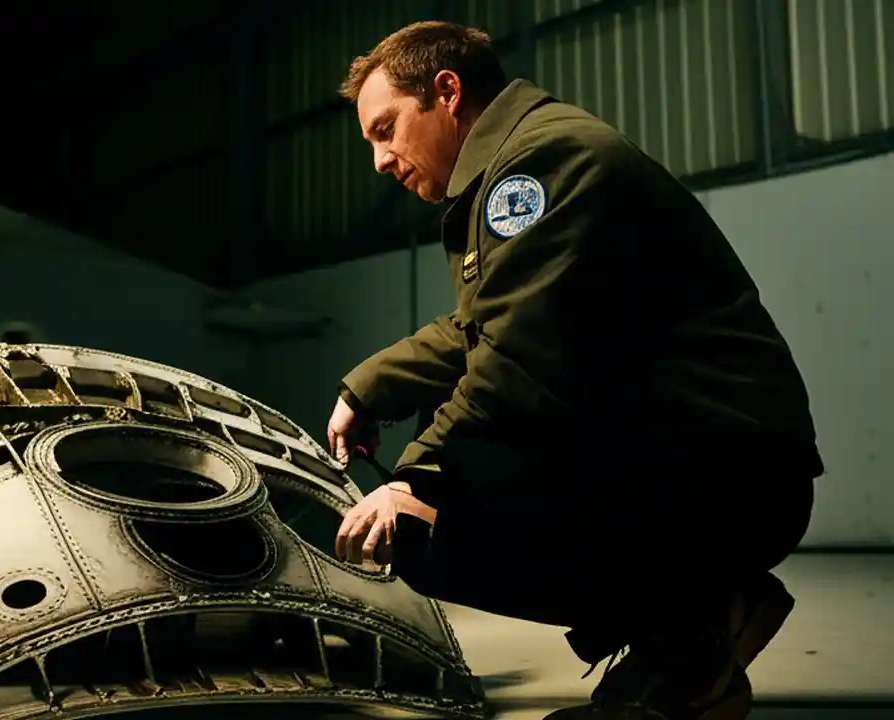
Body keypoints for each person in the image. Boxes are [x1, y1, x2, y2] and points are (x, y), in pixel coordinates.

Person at [327, 20, 821, 720]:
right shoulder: (517, 161)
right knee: (447, 475)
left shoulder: (544, 162)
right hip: (704, 458)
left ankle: (686, 646)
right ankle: (698, 624)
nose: (380, 160)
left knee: (421, 528)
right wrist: (368, 388)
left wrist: (415, 478)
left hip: (730, 471)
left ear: (447, 92)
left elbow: (516, 358)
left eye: (386, 130)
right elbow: (483, 327)